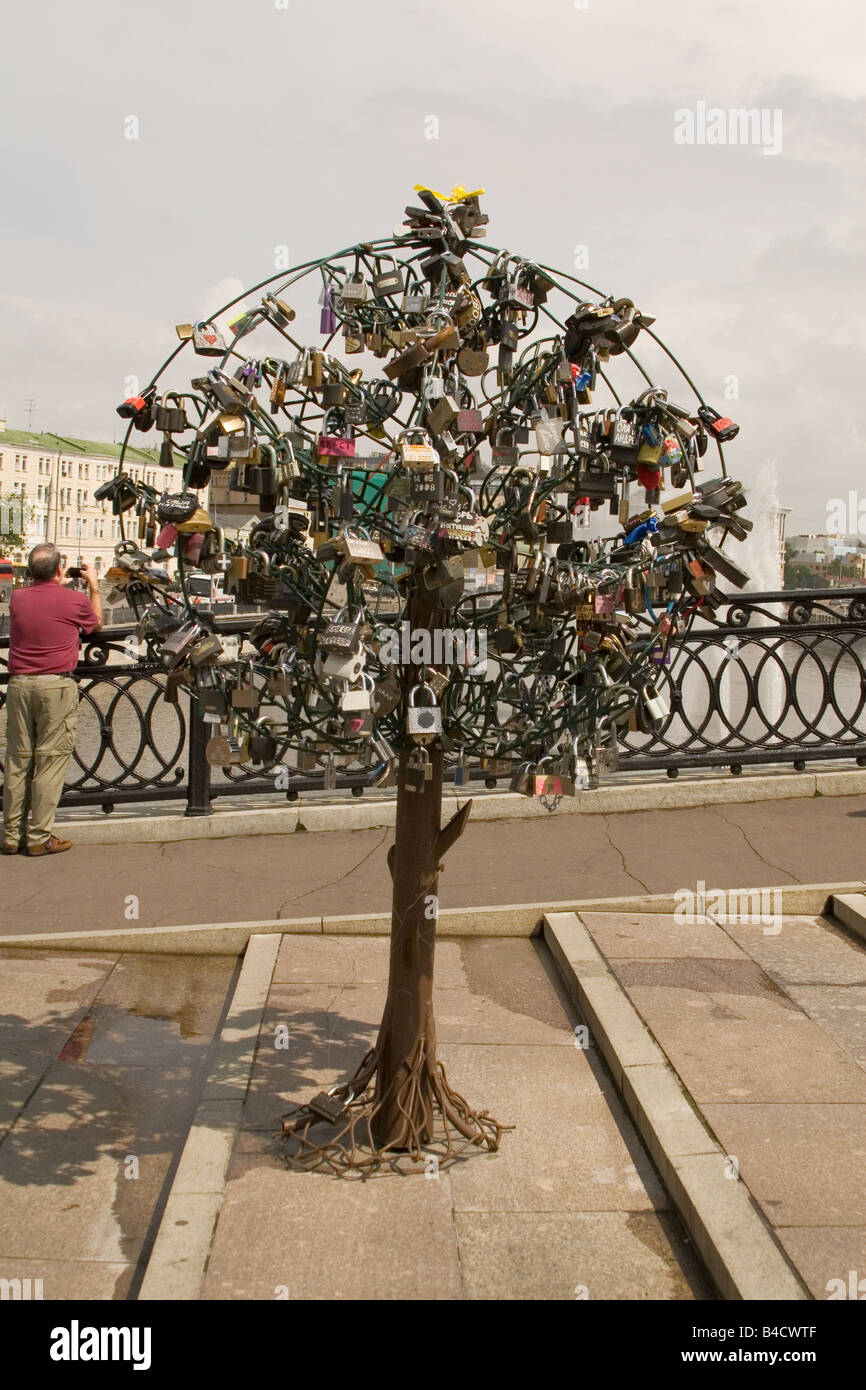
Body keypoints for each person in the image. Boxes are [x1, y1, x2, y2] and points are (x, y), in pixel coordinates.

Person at [2, 544, 102, 856]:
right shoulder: (73, 599)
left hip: (19, 685)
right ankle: (38, 836)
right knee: (49, 759)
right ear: (60, 570)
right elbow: (95, 624)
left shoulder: (18, 598)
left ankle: (9, 835)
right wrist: (94, 587)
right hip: (55, 687)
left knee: (18, 760)